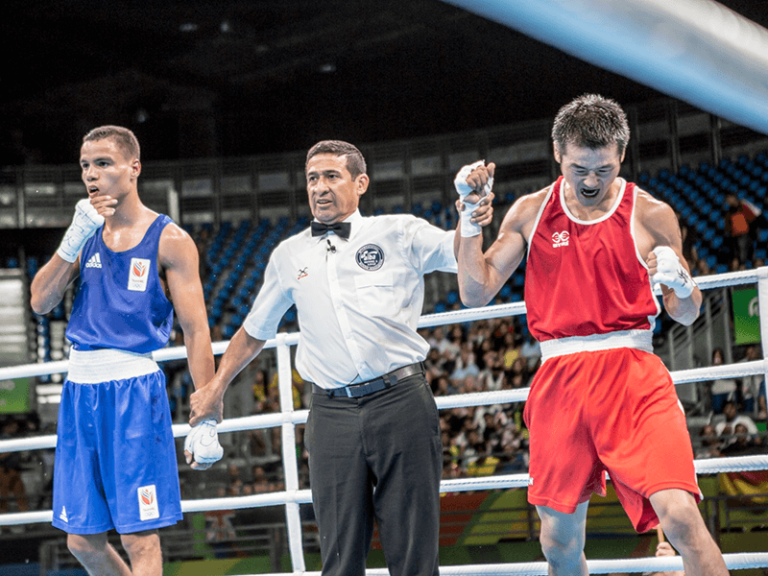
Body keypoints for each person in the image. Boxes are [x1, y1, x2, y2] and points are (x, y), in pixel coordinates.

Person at [187, 139, 493, 576]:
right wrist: (217, 387)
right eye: (313, 178)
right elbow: (255, 330)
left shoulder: (400, 231)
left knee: (414, 554)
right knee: (338, 555)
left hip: (401, 401)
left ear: (360, 182)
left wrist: (468, 207)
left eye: (332, 176)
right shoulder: (289, 254)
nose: (320, 187)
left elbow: (460, 254)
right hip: (331, 414)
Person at [454, 95, 728, 575]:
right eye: (580, 167)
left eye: (603, 168)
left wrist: (683, 283)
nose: (590, 181)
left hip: (634, 376)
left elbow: (685, 314)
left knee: (682, 518)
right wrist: (470, 216)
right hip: (560, 379)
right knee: (557, 540)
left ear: (621, 155)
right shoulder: (529, 211)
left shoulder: (651, 213)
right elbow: (475, 293)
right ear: (558, 152)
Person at [29, 126, 218, 576]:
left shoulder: (170, 239)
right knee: (82, 540)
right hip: (80, 391)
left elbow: (195, 330)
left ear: (133, 168)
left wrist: (207, 411)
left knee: (139, 536)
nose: (91, 175)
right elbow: (39, 302)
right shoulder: (85, 234)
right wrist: (73, 238)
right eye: (85, 166)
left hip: (134, 390)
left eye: (103, 164)